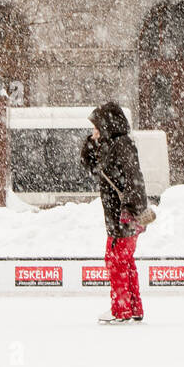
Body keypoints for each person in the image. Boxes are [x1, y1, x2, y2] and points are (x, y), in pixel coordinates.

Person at [81, 102, 148, 325]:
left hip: (122, 216)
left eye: (96, 127)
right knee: (125, 261)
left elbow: (134, 179)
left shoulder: (121, 145)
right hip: (119, 215)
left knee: (116, 261)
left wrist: (128, 210)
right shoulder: (112, 145)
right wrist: (91, 143)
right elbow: (90, 167)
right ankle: (132, 307)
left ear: (106, 125)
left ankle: (121, 310)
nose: (94, 131)